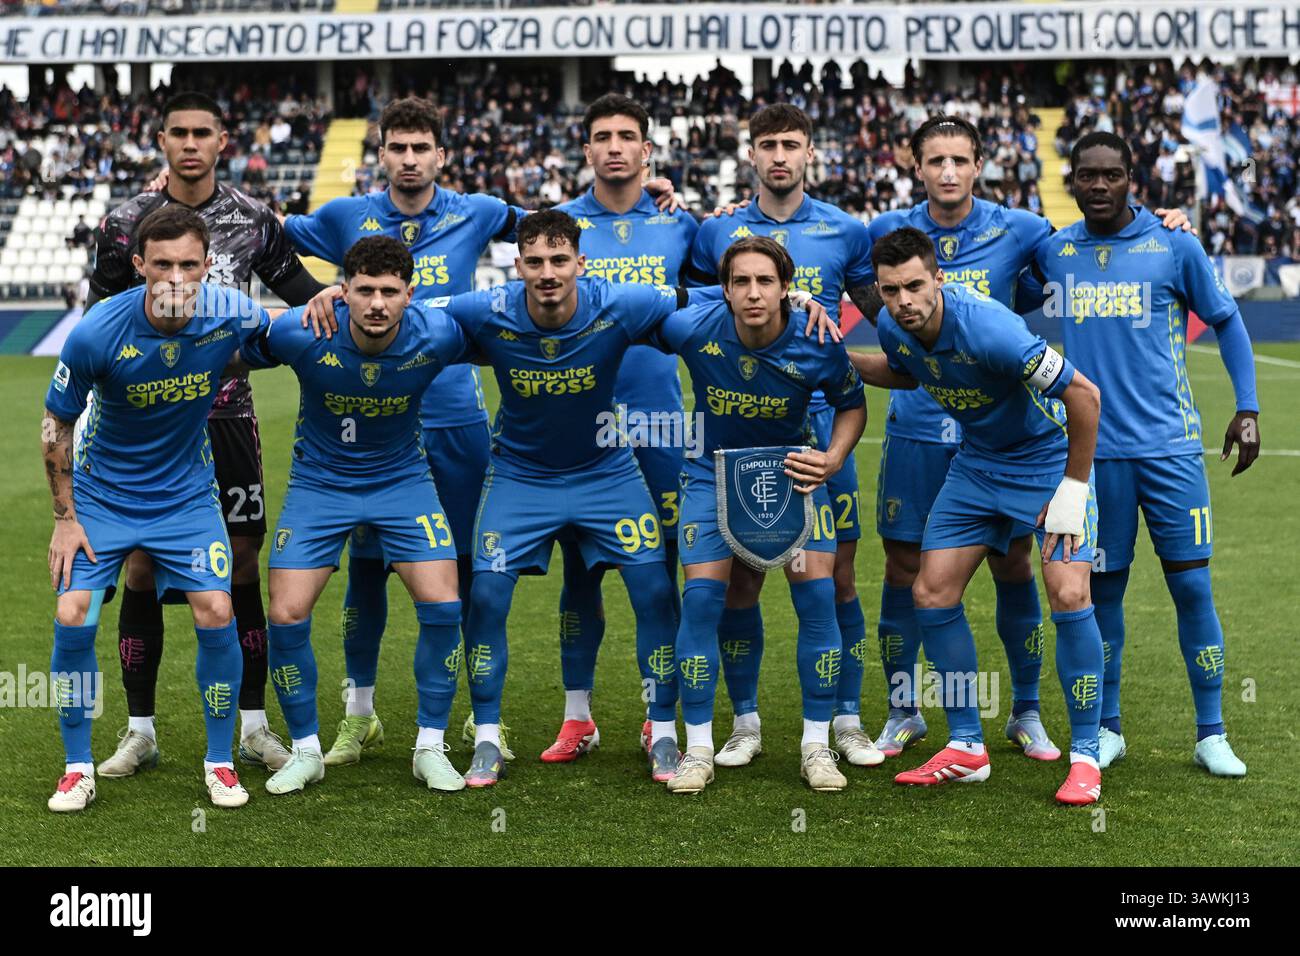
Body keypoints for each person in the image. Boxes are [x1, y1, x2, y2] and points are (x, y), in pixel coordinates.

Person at [285, 97, 685, 769]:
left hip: (465, 426)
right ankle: (361, 716)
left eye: (422, 148)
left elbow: (561, 230)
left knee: (470, 578)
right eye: (397, 147)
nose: (409, 159)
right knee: (365, 570)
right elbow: (269, 237)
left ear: (442, 155)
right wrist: (316, 292)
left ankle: (485, 717)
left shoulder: (481, 211)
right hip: (382, 433)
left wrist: (648, 193)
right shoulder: (343, 216)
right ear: (380, 153)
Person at [860, 115, 1192, 761]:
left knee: (1027, 575)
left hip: (1023, 441)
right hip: (924, 436)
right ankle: (910, 713)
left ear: (979, 162)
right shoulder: (883, 237)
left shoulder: (1021, 230)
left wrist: (1158, 220)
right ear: (916, 165)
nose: (948, 171)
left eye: (960, 158)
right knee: (910, 577)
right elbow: (889, 348)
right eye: (935, 160)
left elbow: (1093, 243)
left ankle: (1032, 714)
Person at [86, 91, 325, 781]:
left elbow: (302, 292)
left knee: (241, 565)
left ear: (224, 141)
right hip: (145, 425)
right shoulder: (126, 222)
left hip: (227, 416)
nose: (191, 144)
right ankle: (140, 732)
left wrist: (338, 296)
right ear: (160, 139)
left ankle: (252, 727)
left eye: (204, 133)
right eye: (179, 133)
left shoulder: (253, 219)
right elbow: (101, 318)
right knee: (140, 563)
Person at [427, 210, 703, 788]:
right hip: (520, 477)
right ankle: (486, 737)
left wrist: (794, 299)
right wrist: (328, 298)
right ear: (517, 263)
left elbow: (705, 299)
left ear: (581, 263)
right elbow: (403, 312)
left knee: (654, 591)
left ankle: (664, 729)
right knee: (487, 598)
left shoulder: (619, 303)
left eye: (559, 261)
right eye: (535, 261)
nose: (547, 272)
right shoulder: (486, 308)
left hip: (608, 472)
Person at [1028, 131, 1260, 777]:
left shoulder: (1174, 244)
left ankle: (1211, 731)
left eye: (1111, 175)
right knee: (1103, 598)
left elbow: (1228, 319)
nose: (1098, 185)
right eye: (1086, 176)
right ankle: (1107, 729)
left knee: (1193, 589)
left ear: (1132, 178)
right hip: (1091, 460)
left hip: (1171, 452)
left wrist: (1248, 407)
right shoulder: (1055, 252)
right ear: (1072, 181)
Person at [853, 226, 1106, 806]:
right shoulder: (895, 326)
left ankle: (1087, 754)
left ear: (938, 277)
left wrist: (1072, 487)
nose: (904, 302)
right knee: (931, 591)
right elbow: (915, 372)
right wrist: (846, 363)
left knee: (1068, 593)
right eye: (891, 291)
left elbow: (1084, 396)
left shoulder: (991, 328)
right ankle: (967, 745)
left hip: (1046, 464)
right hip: (977, 468)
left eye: (915, 286)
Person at [42, 206, 273, 812]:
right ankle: (75, 767)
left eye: (189, 265)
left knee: (217, 609)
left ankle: (220, 762)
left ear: (207, 267)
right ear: (140, 265)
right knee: (72, 614)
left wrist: (327, 301)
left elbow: (284, 333)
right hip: (101, 498)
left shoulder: (231, 313)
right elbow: (56, 425)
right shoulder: (98, 330)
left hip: (186, 497)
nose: (175, 278)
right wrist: (66, 519)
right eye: (162, 264)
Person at [687, 103, 882, 769]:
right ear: (751, 154)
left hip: (820, 437)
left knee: (837, 578)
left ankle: (846, 720)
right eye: (767, 144)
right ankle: (744, 726)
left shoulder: (845, 230)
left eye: (790, 144)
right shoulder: (716, 232)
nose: (779, 155)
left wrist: (922, 364)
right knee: (741, 580)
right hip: (742, 441)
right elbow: (689, 302)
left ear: (809, 153)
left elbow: (881, 311)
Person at [244, 237, 475, 795]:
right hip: (320, 486)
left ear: (409, 295)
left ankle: (430, 746)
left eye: (389, 292)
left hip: (403, 482)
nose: (376, 303)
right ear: (342, 291)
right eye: (364, 290)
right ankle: (306, 752)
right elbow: (229, 343)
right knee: (288, 615)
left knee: (444, 607)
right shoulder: (305, 330)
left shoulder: (439, 333)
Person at [650, 236, 867, 795]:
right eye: (740, 282)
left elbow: (851, 403)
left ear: (786, 288)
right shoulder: (692, 328)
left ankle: (816, 745)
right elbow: (628, 314)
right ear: (723, 289)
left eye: (765, 281)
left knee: (817, 596)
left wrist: (834, 457)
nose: (752, 293)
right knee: (705, 600)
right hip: (709, 473)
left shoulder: (817, 339)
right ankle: (710, 743)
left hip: (793, 470)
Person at [534, 93, 699, 770]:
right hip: (580, 424)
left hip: (660, 423)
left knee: (657, 574)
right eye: (600, 135)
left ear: (646, 149)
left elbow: (721, 295)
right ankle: (579, 719)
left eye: (626, 135)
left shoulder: (680, 226)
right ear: (585, 150)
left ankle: (659, 716)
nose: (613, 146)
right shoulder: (557, 227)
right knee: (580, 575)